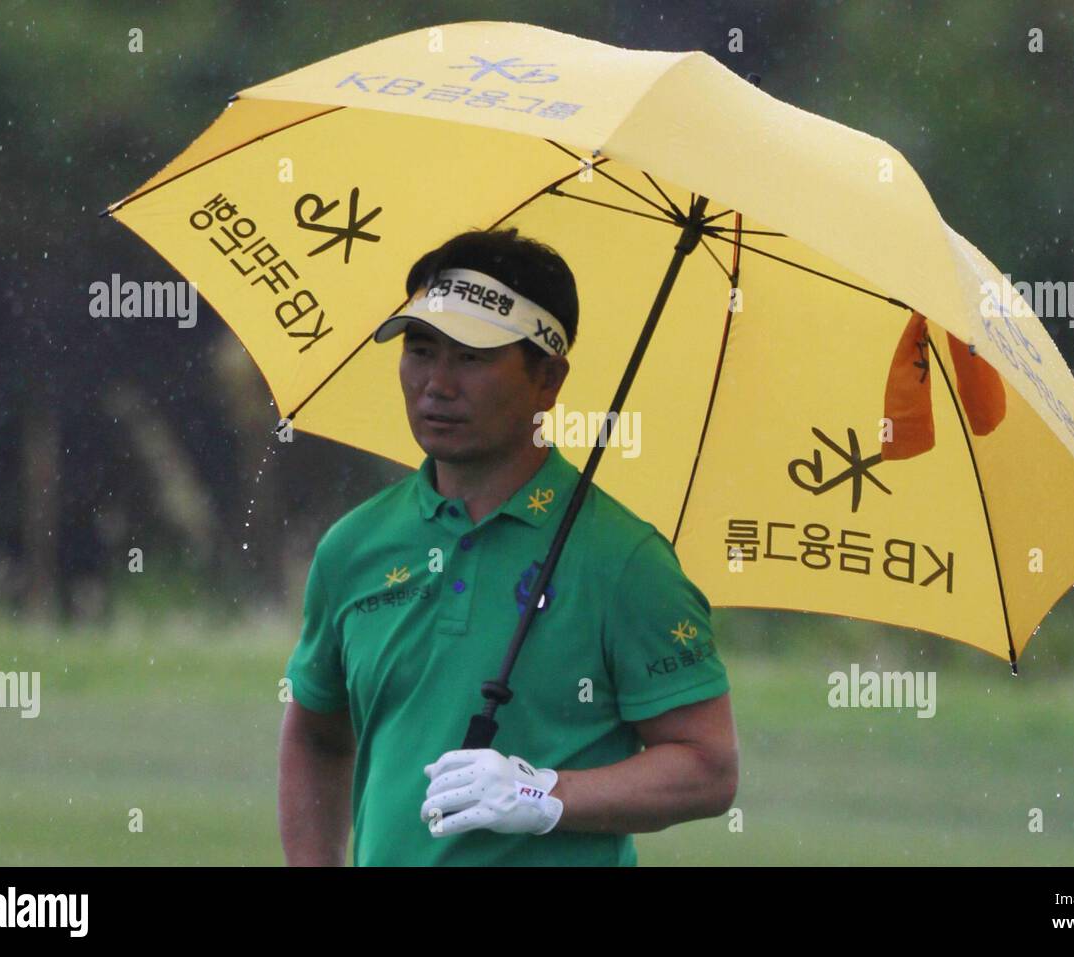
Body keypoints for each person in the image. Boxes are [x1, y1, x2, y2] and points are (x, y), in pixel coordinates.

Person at [278, 227, 737, 866]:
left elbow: (707, 768)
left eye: (471, 357)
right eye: (420, 349)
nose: (436, 383)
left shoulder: (626, 561)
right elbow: (318, 736)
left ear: (548, 379)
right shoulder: (352, 547)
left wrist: (546, 793)